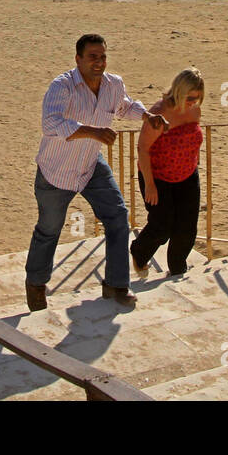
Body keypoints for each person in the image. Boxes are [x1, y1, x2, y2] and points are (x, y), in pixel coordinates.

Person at [24, 34, 168, 312]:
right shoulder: (62, 86)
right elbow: (50, 123)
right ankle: (36, 286)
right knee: (49, 230)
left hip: (90, 166)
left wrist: (147, 116)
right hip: (56, 171)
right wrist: (94, 131)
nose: (99, 62)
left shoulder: (113, 84)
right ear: (78, 59)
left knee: (117, 217)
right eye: (92, 56)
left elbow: (123, 105)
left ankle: (116, 284)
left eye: (102, 56)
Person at [130, 68, 205, 279]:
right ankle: (139, 252)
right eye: (190, 98)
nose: (193, 102)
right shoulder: (159, 113)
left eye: (197, 98)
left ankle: (177, 268)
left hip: (188, 176)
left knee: (187, 228)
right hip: (158, 178)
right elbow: (143, 149)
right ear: (179, 91)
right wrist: (150, 185)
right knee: (162, 226)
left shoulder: (194, 111)